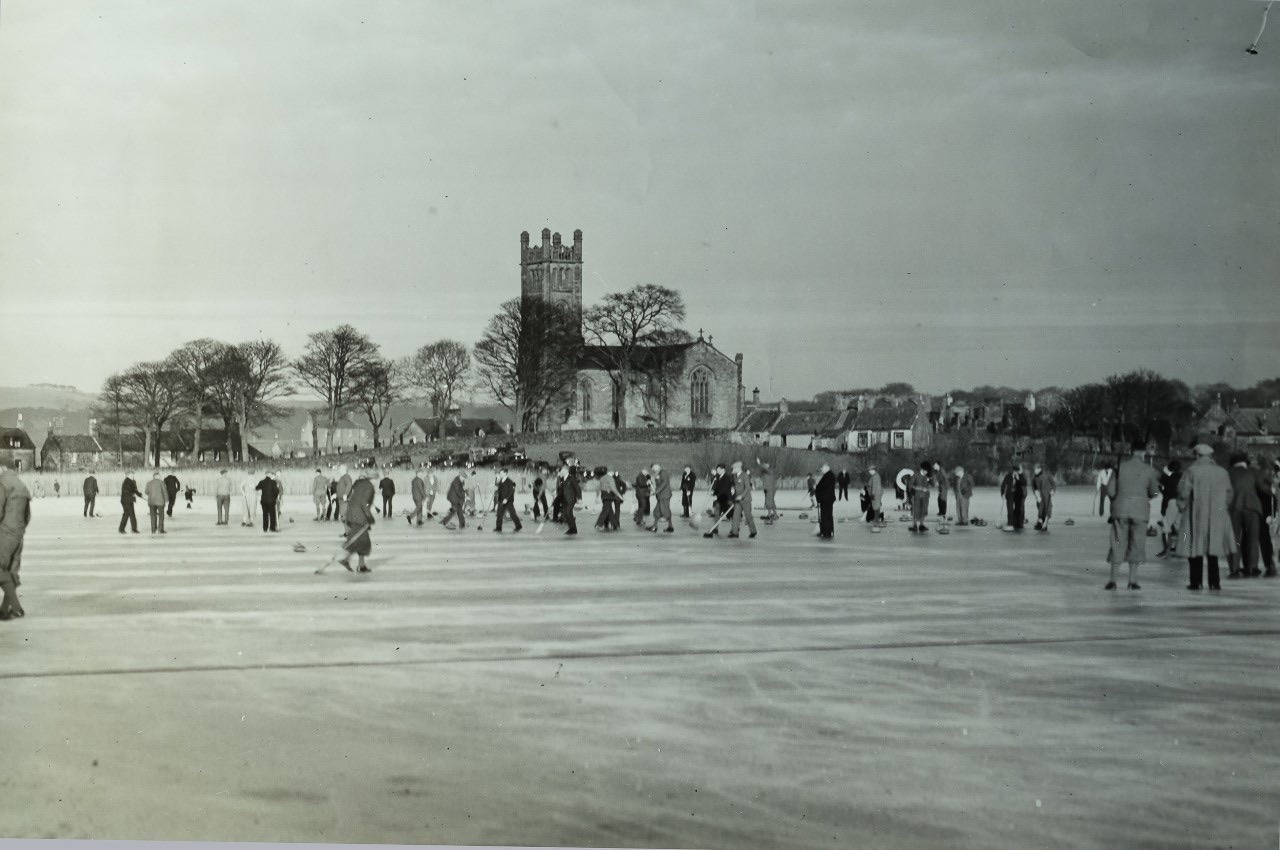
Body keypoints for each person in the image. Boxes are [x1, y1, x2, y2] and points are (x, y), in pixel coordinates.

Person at [1177, 443, 1236, 591]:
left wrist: (1182, 506)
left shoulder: (1191, 471)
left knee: (1195, 547)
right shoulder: (1222, 472)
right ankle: (1214, 582)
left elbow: (1183, 492)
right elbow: (1229, 493)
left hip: (1196, 512)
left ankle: (1196, 582)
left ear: (1197, 455)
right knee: (1213, 547)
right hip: (1217, 512)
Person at [1103, 441, 1161, 590]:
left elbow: (1110, 490)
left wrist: (1117, 498)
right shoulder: (1149, 470)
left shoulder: (1119, 467)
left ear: (1131, 451)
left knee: (1117, 543)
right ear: (1143, 453)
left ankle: (1113, 580)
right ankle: (1132, 581)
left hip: (1120, 511)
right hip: (1140, 512)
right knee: (1136, 545)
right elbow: (1154, 493)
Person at [1226, 452, 1270, 579]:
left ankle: (1234, 567)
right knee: (1252, 538)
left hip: (1234, 507)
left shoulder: (1229, 473)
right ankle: (1252, 567)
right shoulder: (1252, 472)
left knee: (1234, 538)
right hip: (1252, 506)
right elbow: (1264, 487)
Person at [0, 461, 31, 620]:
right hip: (19, 535)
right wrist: (19, 530)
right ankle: (5, 610)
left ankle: (17, 608)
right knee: (11, 571)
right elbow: (27, 516)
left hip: (5, 533)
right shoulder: (21, 485)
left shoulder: (3, 483)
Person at [340, 469, 376, 573]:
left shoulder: (360, 484)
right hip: (359, 516)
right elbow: (364, 503)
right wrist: (369, 516)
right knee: (361, 541)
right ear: (372, 478)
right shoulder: (369, 487)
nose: (375, 481)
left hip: (352, 514)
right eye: (375, 479)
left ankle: (359, 564)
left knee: (361, 540)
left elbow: (356, 498)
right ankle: (348, 561)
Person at [1156, 460, 1183, 557]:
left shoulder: (1165, 477)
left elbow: (1161, 489)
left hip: (1171, 502)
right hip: (1182, 502)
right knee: (1178, 526)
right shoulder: (1183, 477)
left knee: (1166, 526)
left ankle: (1166, 549)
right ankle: (1179, 550)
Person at [728, 460, 758, 539]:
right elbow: (735, 485)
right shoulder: (734, 476)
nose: (732, 470)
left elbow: (748, 487)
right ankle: (735, 533)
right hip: (737, 500)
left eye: (734, 468)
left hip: (745, 500)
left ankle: (753, 531)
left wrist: (741, 496)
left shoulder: (745, 475)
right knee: (735, 516)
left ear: (738, 468)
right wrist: (732, 489)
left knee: (748, 516)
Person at [707, 463, 735, 537]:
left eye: (718, 470)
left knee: (731, 515)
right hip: (720, 499)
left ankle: (735, 528)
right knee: (717, 513)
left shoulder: (727, 477)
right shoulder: (719, 477)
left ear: (723, 469)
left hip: (727, 499)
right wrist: (714, 493)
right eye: (717, 470)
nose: (717, 471)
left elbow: (724, 489)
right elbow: (718, 488)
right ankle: (715, 528)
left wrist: (717, 496)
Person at [647, 463, 674, 533]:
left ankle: (669, 526)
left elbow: (664, 483)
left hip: (664, 495)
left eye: (653, 468)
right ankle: (655, 526)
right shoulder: (657, 474)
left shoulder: (663, 473)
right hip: (661, 496)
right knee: (657, 511)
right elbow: (657, 484)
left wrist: (657, 491)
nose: (652, 469)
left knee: (665, 511)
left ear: (657, 467)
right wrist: (651, 485)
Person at [494, 469, 523, 533]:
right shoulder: (501, 480)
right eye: (500, 473)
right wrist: (497, 490)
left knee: (512, 514)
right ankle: (498, 528)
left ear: (505, 473)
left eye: (501, 473)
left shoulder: (509, 481)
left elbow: (511, 491)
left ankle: (518, 526)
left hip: (508, 501)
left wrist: (506, 499)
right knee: (499, 514)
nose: (500, 474)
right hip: (501, 500)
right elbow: (499, 488)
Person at [1000, 464, 1027, 531]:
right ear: (1013, 471)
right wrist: (1003, 494)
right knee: (1010, 509)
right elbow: (1003, 485)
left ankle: (1018, 523)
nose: (1016, 472)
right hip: (1010, 494)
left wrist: (1019, 478)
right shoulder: (1008, 476)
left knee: (1018, 509)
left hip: (1018, 495)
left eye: (1017, 471)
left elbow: (1024, 484)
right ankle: (1010, 524)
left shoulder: (1021, 476)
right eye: (1015, 471)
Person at [814, 464, 837, 539]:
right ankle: (826, 531)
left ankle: (826, 532)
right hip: (826, 499)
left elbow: (824, 487)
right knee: (826, 515)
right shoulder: (829, 475)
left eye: (822, 469)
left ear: (826, 468)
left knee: (826, 516)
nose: (821, 470)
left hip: (826, 499)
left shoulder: (828, 476)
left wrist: (817, 487)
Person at [909, 462, 932, 533]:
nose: (927, 472)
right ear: (922, 469)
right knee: (916, 510)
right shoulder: (915, 475)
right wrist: (920, 488)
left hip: (925, 496)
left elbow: (932, 484)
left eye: (928, 471)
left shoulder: (927, 476)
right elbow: (910, 485)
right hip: (917, 496)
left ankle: (921, 524)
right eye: (926, 471)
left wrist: (931, 480)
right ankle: (914, 525)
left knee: (924, 510)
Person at [1032, 464, 1055, 531]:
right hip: (1040, 495)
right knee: (1040, 508)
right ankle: (1040, 521)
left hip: (1047, 494)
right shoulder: (1034, 477)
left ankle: (1045, 523)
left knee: (1048, 508)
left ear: (1040, 469)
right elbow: (1033, 486)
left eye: (1036, 469)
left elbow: (1053, 483)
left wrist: (1053, 490)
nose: (1035, 471)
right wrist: (1036, 494)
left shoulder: (1047, 475)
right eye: (1034, 470)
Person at [560, 465, 581, 535]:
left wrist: (579, 498)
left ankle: (572, 529)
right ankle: (572, 528)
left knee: (568, 513)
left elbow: (577, 488)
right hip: (566, 499)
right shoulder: (564, 478)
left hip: (571, 499)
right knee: (568, 513)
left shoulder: (572, 478)